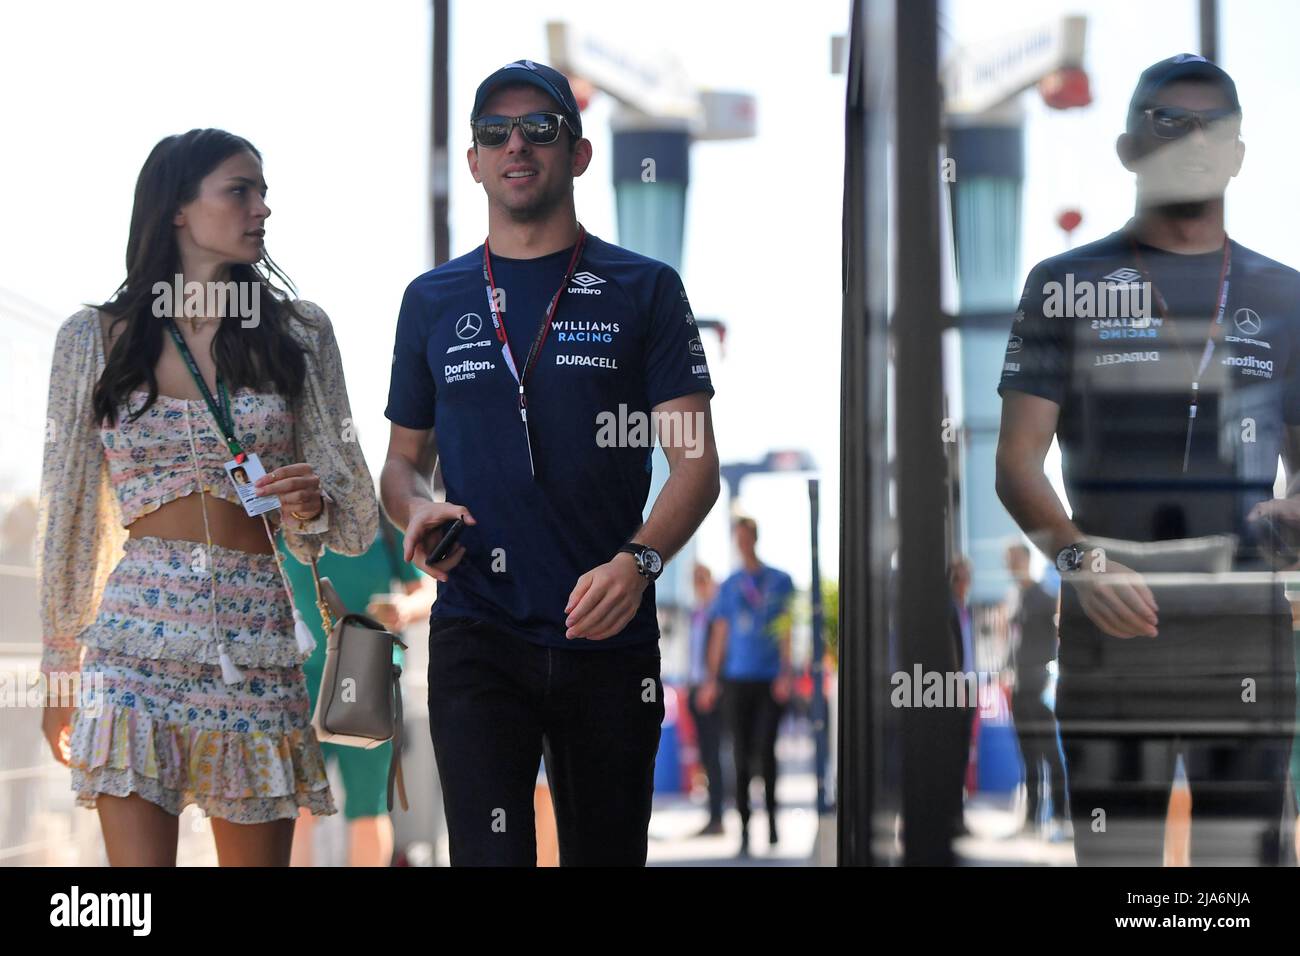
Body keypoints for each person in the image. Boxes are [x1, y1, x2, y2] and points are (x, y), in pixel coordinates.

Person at [380, 60, 719, 866]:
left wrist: (638, 563)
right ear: (474, 161)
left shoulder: (645, 289)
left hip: (608, 636)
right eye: (494, 132)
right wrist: (416, 510)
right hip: (478, 631)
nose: (516, 144)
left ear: (579, 152)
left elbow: (697, 468)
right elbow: (399, 467)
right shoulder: (432, 299)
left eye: (539, 127)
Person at [36, 128, 378, 867]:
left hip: (256, 635)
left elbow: (355, 521)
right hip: (132, 644)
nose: (262, 208)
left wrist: (309, 508)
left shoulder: (300, 334)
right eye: (241, 191)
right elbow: (66, 518)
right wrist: (61, 667)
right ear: (178, 211)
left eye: (263, 192)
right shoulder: (92, 339)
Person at [996, 55, 1297, 865]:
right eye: (1170, 121)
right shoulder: (1065, 282)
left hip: (1247, 644)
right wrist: (1082, 561)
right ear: (1130, 147)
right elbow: (1016, 461)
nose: (1193, 141)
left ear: (1238, 154)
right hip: (1110, 635)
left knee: (1237, 889)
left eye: (1214, 126)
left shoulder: (1287, 297)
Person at [284, 516, 425, 867]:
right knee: (298, 805)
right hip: (302, 679)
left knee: (367, 806)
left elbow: (422, 591)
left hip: (368, 679)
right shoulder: (284, 520)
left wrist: (402, 609)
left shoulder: (382, 519)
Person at [700, 517, 794, 856]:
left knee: (766, 751)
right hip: (737, 681)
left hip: (769, 680)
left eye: (745, 538)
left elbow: (786, 630)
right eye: (736, 539)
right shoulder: (730, 586)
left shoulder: (779, 581)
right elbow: (720, 634)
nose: (742, 544)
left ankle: (771, 823)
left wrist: (786, 673)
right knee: (739, 755)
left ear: (755, 538)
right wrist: (711, 679)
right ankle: (743, 830)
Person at [1003, 541, 1067, 838]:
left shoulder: (1045, 596)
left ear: (1026, 560)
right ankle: (1031, 818)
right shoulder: (1014, 596)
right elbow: (1012, 642)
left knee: (1049, 754)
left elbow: (1058, 637)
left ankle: (1060, 817)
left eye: (1013, 559)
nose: (1009, 566)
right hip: (1017, 687)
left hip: (1039, 685)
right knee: (1027, 754)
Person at [685, 563, 725, 837]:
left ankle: (717, 817)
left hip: (709, 690)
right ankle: (712, 814)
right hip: (695, 686)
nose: (699, 582)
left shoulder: (715, 611)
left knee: (713, 754)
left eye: (702, 576)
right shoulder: (696, 612)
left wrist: (711, 683)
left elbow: (718, 650)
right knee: (704, 755)